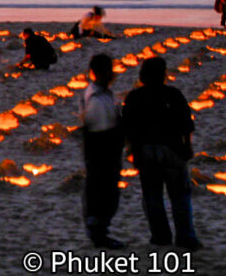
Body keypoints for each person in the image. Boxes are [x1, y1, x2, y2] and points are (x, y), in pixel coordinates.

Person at [122, 56, 201, 250]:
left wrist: (131, 150)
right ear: (164, 75)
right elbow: (187, 124)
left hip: (146, 151)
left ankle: (160, 235)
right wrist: (188, 146)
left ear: (142, 76)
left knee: (152, 195)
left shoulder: (135, 97)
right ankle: (185, 237)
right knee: (179, 196)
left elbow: (128, 128)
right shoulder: (173, 95)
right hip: (172, 149)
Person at [79, 54, 124, 249]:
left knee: (107, 193)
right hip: (102, 151)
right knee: (102, 193)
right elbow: (97, 127)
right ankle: (98, 234)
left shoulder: (104, 93)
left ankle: (100, 231)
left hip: (107, 150)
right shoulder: (96, 96)